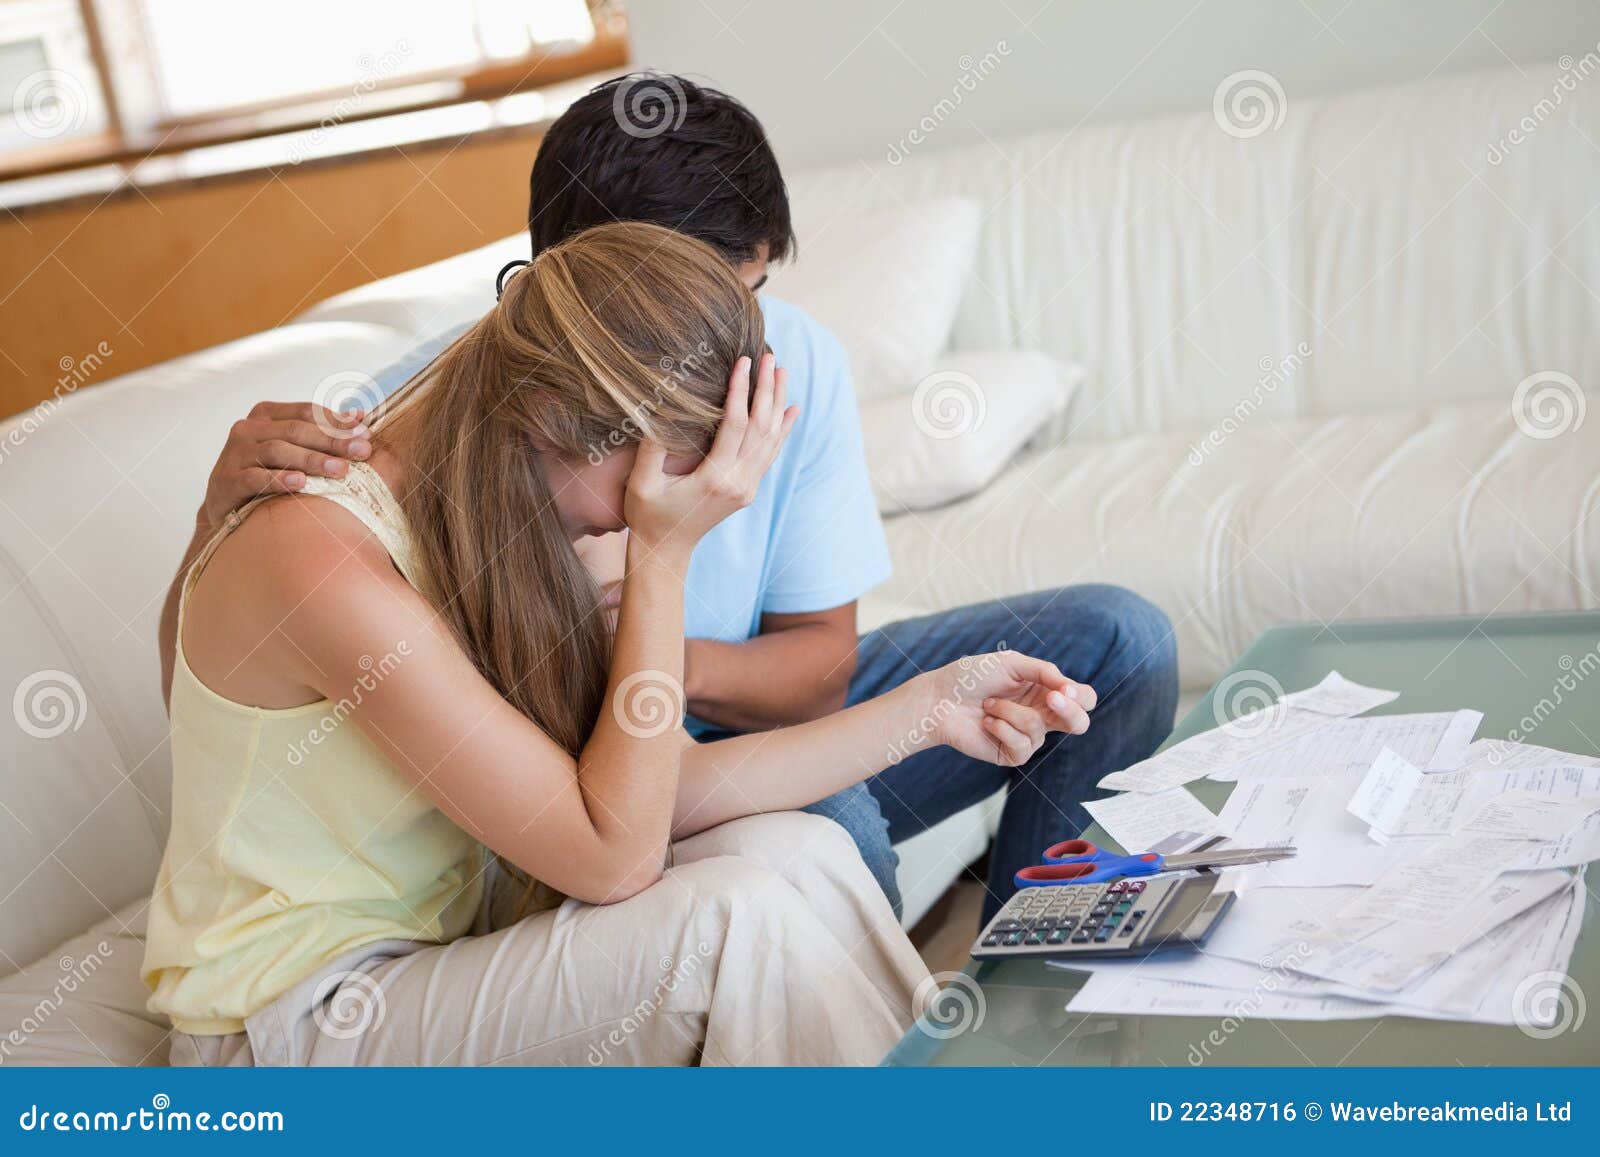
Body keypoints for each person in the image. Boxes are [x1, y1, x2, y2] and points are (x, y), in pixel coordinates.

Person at [166, 74, 1178, 926]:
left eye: (752, 294)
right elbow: (229, 669)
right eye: (703, 314)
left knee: (1114, 640)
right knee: (833, 822)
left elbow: (818, 667)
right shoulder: (459, 426)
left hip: (696, 706)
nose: (744, 347)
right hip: (588, 766)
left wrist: (646, 645)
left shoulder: (789, 361)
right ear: (586, 313)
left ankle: (1033, 993)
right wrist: (225, 520)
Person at [147, 222, 1096, 1067]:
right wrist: (661, 555)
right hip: (282, 1026)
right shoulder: (322, 558)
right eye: (668, 476)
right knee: (734, 924)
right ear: (574, 422)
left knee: (796, 853)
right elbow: (613, 857)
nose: (657, 512)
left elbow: (661, 791)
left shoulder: (493, 514)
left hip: (432, 962)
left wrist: (930, 709)